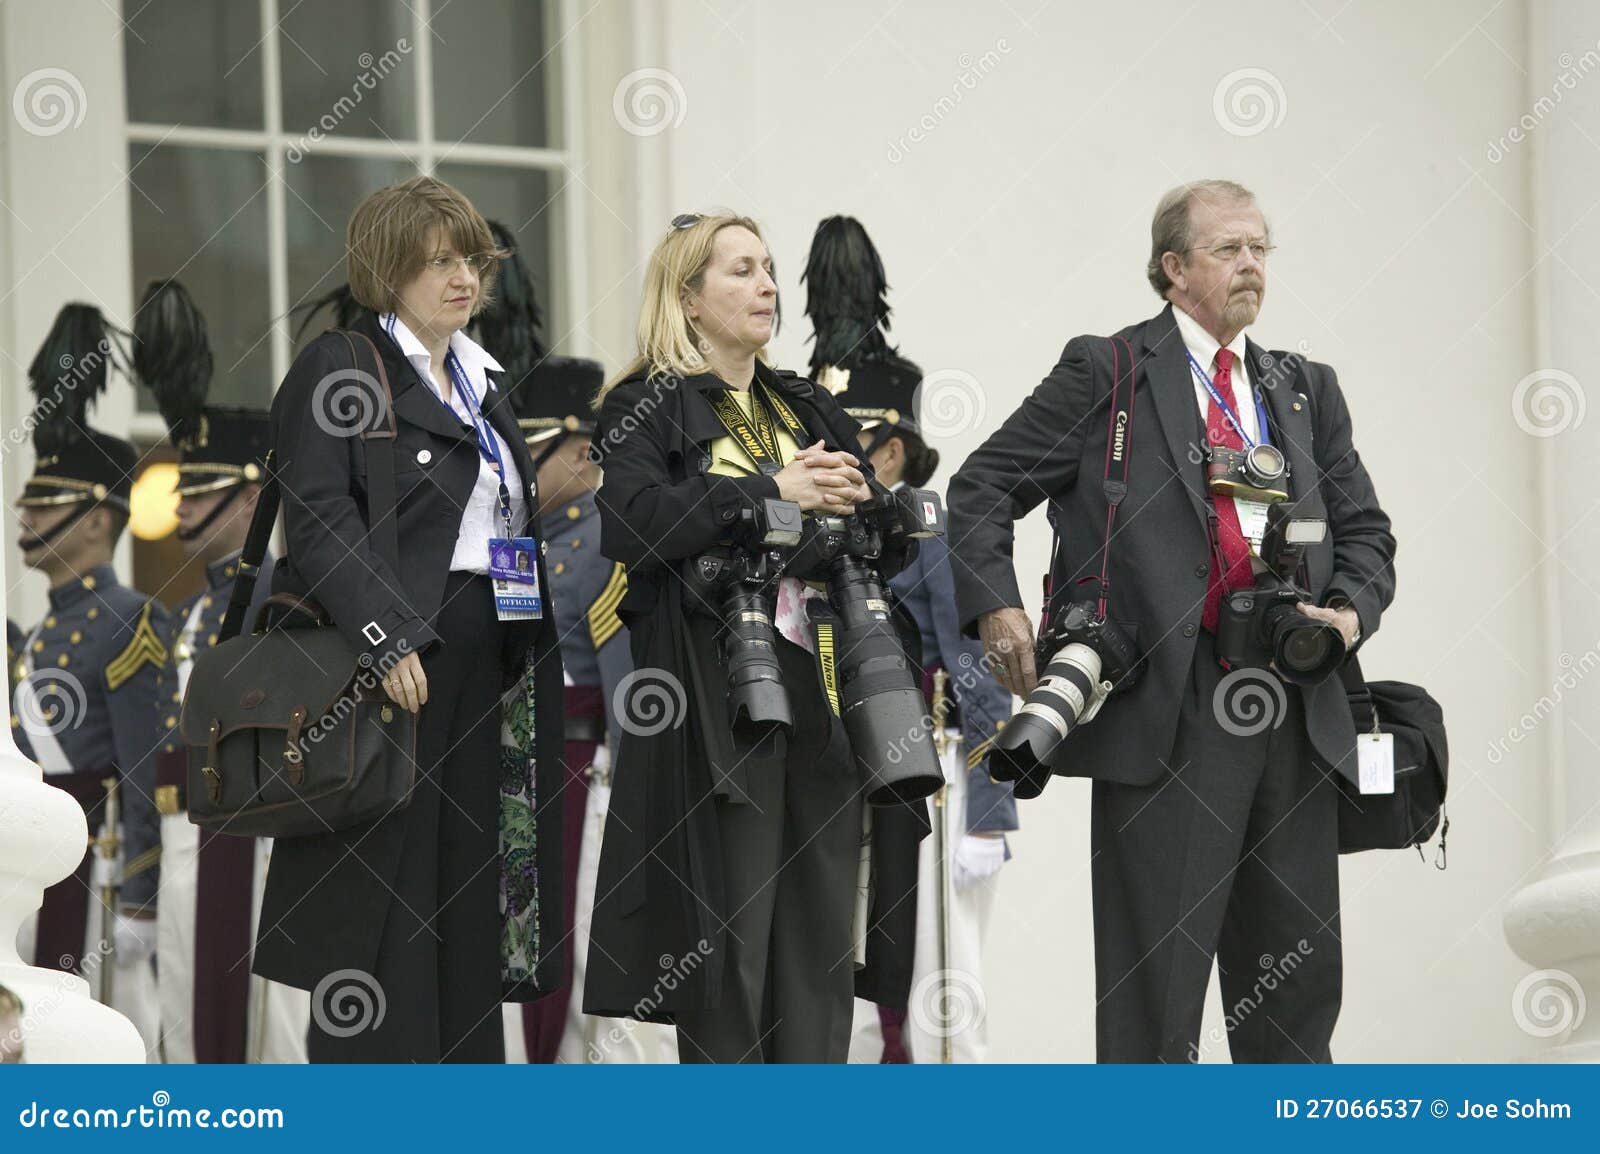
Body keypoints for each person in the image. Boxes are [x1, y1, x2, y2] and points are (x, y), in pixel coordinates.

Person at [948, 179, 1396, 1063]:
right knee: (1156, 1007)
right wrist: (997, 607)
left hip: (1294, 701)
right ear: (1173, 268)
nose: (1251, 265)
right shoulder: (1108, 371)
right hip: (1170, 705)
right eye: (1229, 249)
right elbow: (982, 486)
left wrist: (1346, 614)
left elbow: (1366, 535)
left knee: (1296, 998)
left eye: (1261, 248)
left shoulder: (1303, 388)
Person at [582, 211, 925, 1063]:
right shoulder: (645, 403)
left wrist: (867, 502)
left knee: (819, 938)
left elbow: (889, 536)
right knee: (731, 938)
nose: (768, 286)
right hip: (719, 693)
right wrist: (772, 491)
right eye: (741, 271)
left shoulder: (802, 400)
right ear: (688, 297)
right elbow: (632, 524)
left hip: (826, 680)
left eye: (769, 268)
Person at [250, 175, 567, 1063]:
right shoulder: (343, 366)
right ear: (388, 272)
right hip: (396, 658)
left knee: (471, 887)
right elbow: (318, 516)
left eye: (472, 260)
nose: (464, 278)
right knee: (385, 897)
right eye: (438, 262)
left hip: (490, 651)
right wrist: (385, 637)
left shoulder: (482, 381)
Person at [798, 216, 1018, 1064]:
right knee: (843, 988)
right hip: (833, 775)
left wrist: (988, 808)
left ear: (890, 451)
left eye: (843, 444)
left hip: (928, 778)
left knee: (938, 997)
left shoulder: (927, 529)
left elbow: (973, 665)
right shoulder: (807, 533)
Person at [133, 278, 309, 1064]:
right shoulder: (191, 612)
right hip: (188, 837)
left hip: (259, 836)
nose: (181, 506)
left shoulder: (285, 599)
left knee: (268, 1038)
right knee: (186, 1023)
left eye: (201, 490)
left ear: (250, 501)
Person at [12, 303, 168, 1051]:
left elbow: (143, 770)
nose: (24, 513)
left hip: (92, 859)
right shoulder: (41, 630)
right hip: (33, 860)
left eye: (45, 502)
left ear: (100, 519)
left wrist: (140, 894)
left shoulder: (129, 618)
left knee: (95, 1042)